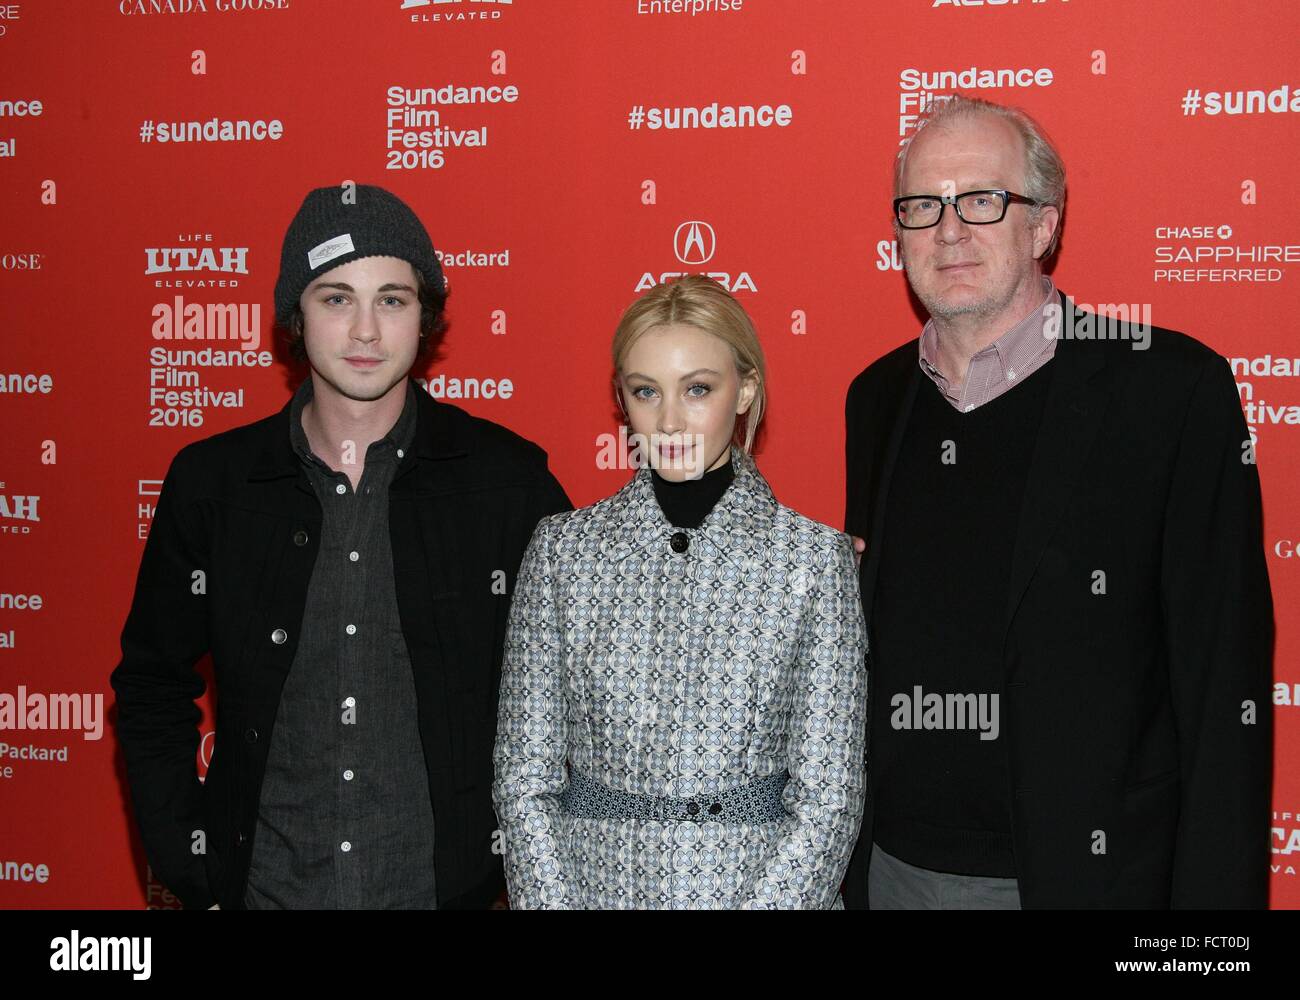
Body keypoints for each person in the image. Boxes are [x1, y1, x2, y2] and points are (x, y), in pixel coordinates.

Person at [842, 95, 1273, 909]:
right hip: (894, 871)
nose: (948, 230)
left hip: (1093, 878)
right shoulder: (876, 397)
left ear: (1043, 227)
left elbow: (1224, 687)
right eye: (922, 205)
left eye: (982, 200)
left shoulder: (1170, 392)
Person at [111, 183, 571, 909]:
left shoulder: (507, 483)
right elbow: (150, 688)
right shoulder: (212, 485)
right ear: (296, 314)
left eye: (392, 299)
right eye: (335, 298)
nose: (365, 331)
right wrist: (188, 858)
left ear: (426, 318)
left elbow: (573, 698)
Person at [492, 275, 868, 908]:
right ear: (622, 399)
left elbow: (828, 797)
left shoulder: (812, 560)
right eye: (646, 392)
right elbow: (525, 781)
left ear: (745, 389)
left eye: (698, 389)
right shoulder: (563, 553)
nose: (669, 420)